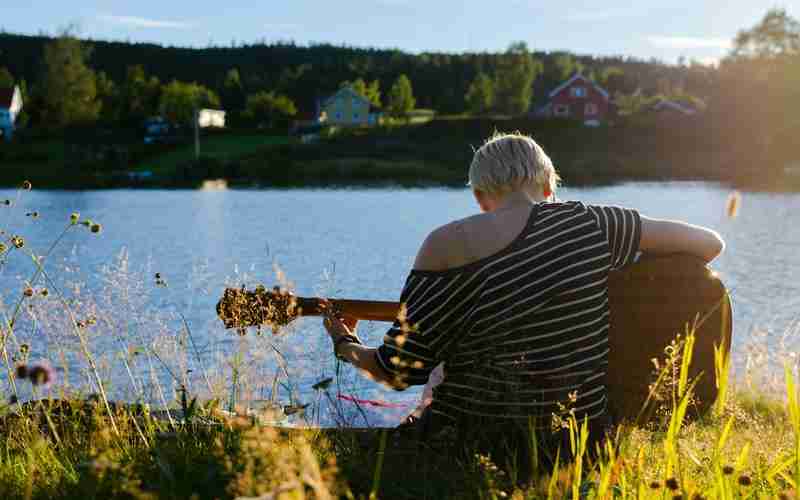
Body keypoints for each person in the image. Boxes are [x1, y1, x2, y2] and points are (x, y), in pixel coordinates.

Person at [322, 131, 724, 469]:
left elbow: (396, 373)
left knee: (438, 369)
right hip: (580, 449)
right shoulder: (594, 223)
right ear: (550, 187)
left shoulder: (445, 244)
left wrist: (346, 345)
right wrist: (612, 282)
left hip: (471, 447)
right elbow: (709, 245)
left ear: (480, 196)